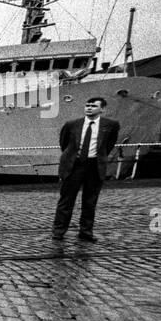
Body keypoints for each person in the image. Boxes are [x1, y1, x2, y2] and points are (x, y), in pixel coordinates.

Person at [52, 96, 120, 243]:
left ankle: (86, 232)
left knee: (90, 202)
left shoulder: (111, 125)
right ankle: (58, 232)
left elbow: (109, 145)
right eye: (87, 105)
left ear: (102, 109)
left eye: (93, 106)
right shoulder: (72, 124)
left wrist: (98, 157)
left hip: (94, 166)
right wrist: (73, 157)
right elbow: (64, 144)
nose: (89, 108)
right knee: (66, 200)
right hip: (74, 165)